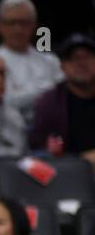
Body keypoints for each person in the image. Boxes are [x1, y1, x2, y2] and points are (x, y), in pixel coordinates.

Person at [0, 0, 62, 125]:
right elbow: (3, 103)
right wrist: (49, 91)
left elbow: (65, 95)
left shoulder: (50, 61)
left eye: (24, 23)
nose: (18, 29)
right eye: (11, 23)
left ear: (33, 25)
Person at [28, 33, 95, 162]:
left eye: (87, 57)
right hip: (69, 173)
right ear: (62, 67)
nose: (81, 63)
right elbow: (37, 148)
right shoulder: (48, 104)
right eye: (73, 58)